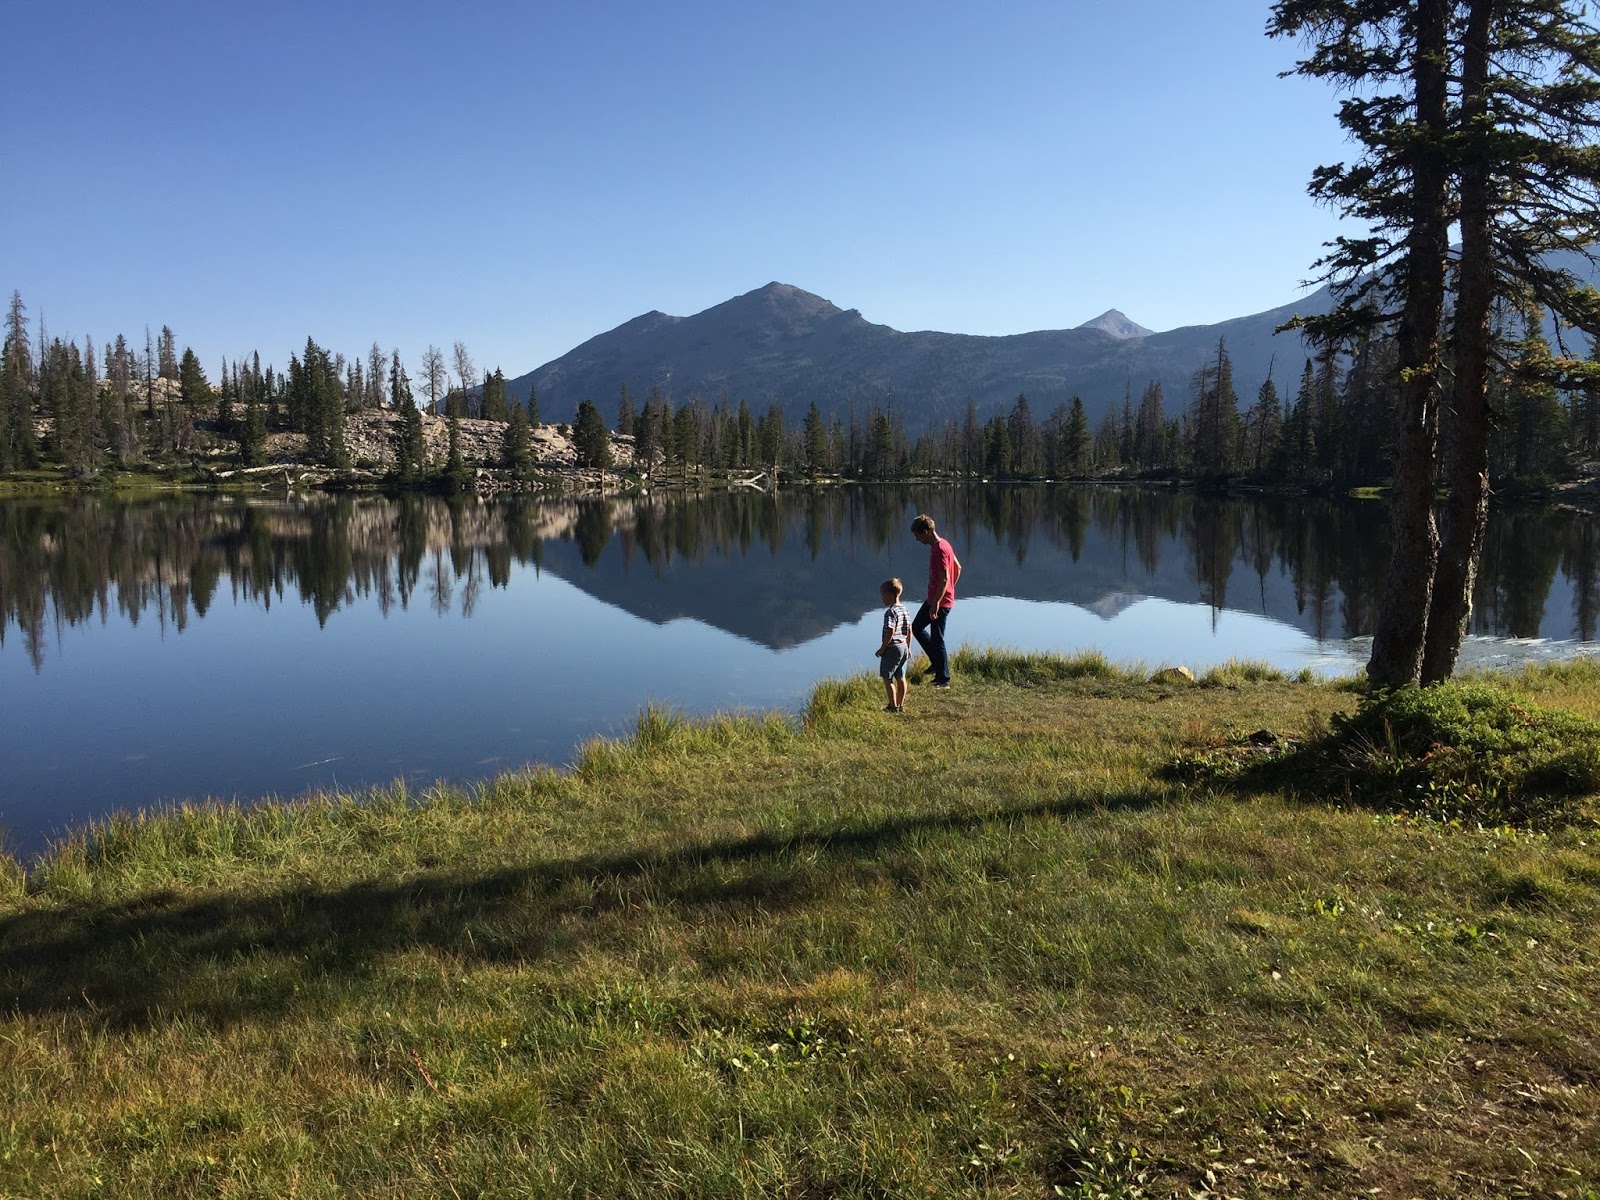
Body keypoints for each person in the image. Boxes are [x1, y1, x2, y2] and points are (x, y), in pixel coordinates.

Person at [910, 513, 961, 688]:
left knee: (937, 638)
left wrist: (938, 601)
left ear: (926, 531)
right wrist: (948, 590)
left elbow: (945, 578)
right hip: (935, 598)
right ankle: (937, 663)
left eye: (917, 535)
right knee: (916, 627)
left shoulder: (940, 549)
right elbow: (958, 567)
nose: (917, 540)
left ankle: (943, 679)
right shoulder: (942, 544)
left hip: (939, 602)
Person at [874, 577, 912, 712]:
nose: (882, 599)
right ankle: (900, 705)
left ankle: (892, 706)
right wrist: (909, 647)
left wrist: (882, 648)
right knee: (901, 677)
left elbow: (890, 630)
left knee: (887, 678)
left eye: (883, 596)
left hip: (892, 648)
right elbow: (909, 630)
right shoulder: (904, 610)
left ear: (889, 595)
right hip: (903, 647)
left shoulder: (890, 612)